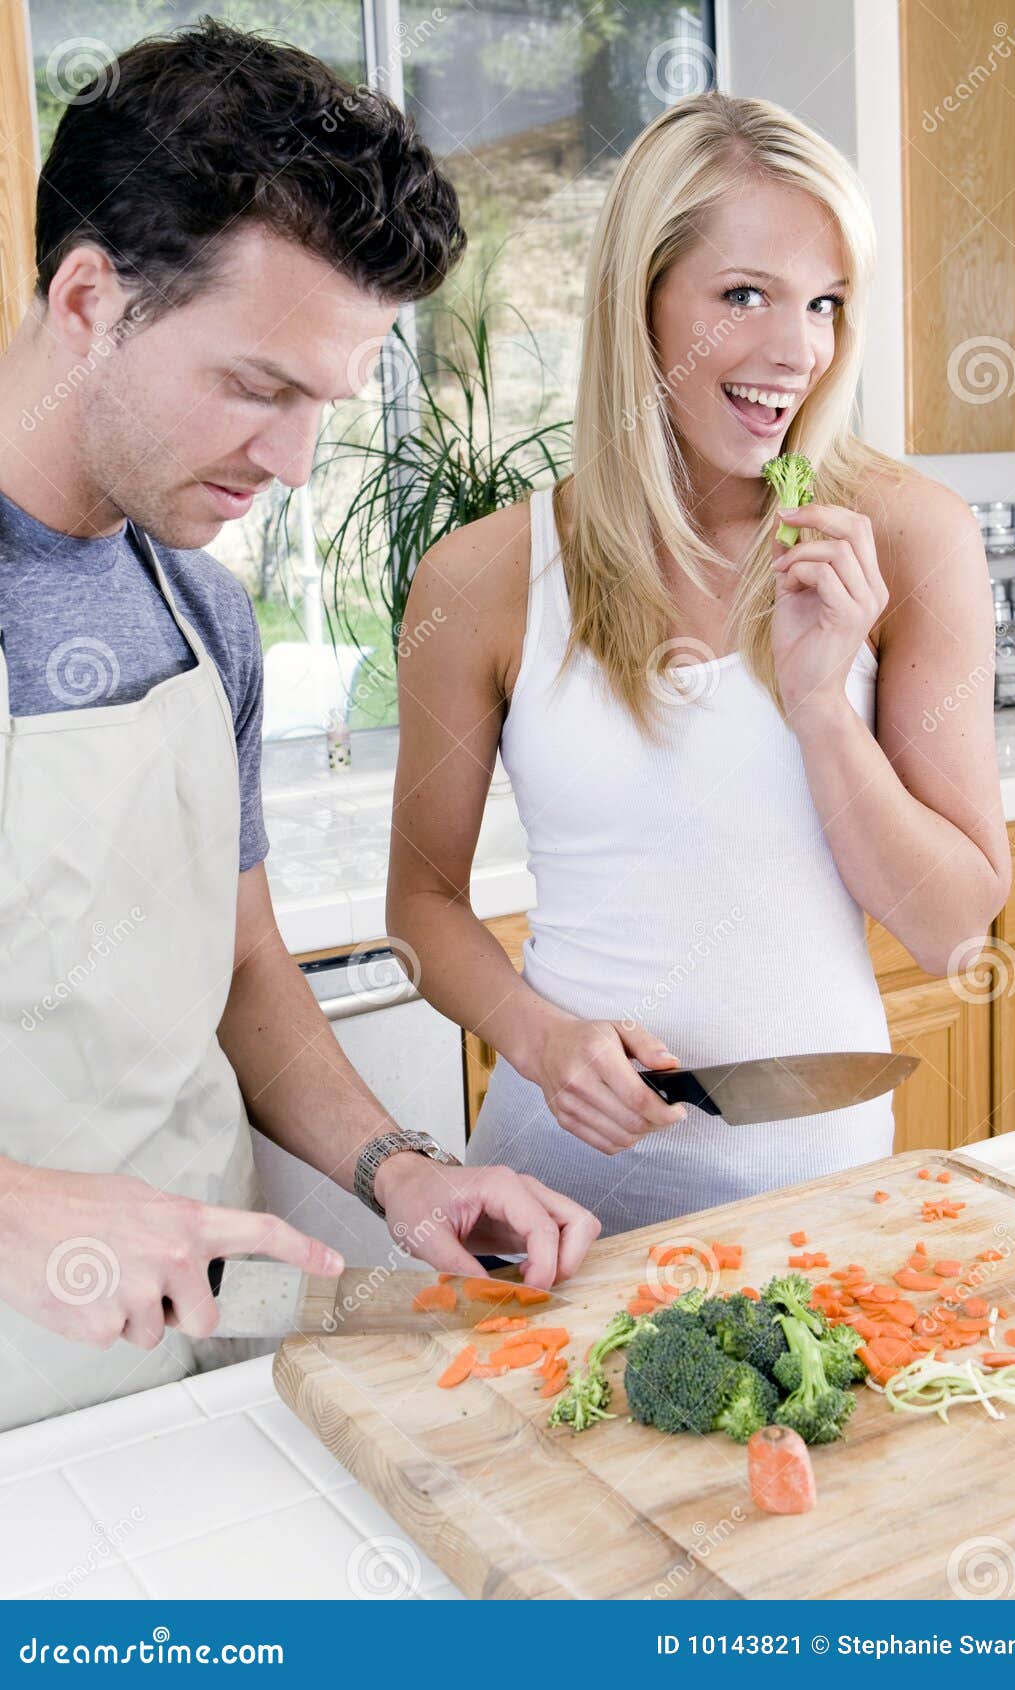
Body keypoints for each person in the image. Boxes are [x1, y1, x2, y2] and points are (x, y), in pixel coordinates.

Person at [0, 20, 600, 1434]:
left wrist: (401, 1170)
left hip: (204, 1365)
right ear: (90, 299)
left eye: (318, 403)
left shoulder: (198, 613)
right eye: (257, 386)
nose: (290, 461)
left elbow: (243, 962)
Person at [386, 90, 1012, 1237]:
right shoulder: (480, 577)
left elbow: (950, 928)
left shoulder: (907, 539)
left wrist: (821, 705)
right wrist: (537, 1038)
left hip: (822, 1193)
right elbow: (419, 903)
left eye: (824, 303)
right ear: (642, 306)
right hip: (555, 1194)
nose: (796, 351)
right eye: (742, 296)